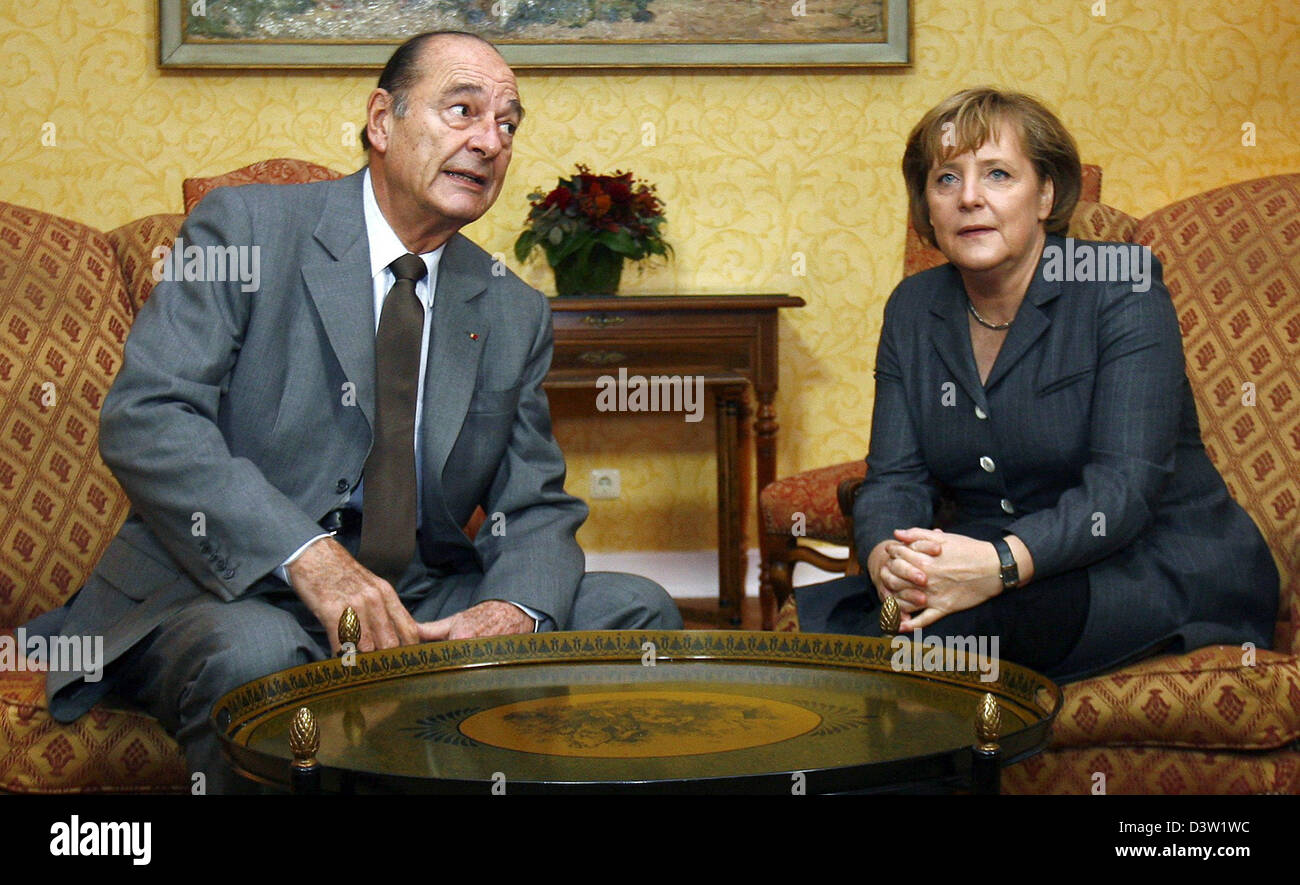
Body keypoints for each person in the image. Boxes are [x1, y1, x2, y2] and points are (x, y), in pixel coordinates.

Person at [34, 30, 681, 792]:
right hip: (231, 587)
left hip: (417, 598)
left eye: (507, 124)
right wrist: (309, 556)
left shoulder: (511, 308)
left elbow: (534, 502)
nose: (488, 141)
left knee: (634, 609)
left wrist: (512, 606)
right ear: (382, 119)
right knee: (256, 656)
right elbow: (149, 417)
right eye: (463, 109)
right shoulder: (245, 230)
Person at [795, 87, 1277, 681]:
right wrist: (886, 561)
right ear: (926, 204)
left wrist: (997, 563)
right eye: (946, 179)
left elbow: (1122, 493)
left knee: (930, 646)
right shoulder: (913, 308)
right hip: (983, 558)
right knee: (852, 642)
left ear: (1046, 193)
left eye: (997, 174)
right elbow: (894, 477)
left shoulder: (1120, 286)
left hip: (1143, 562)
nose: (969, 197)